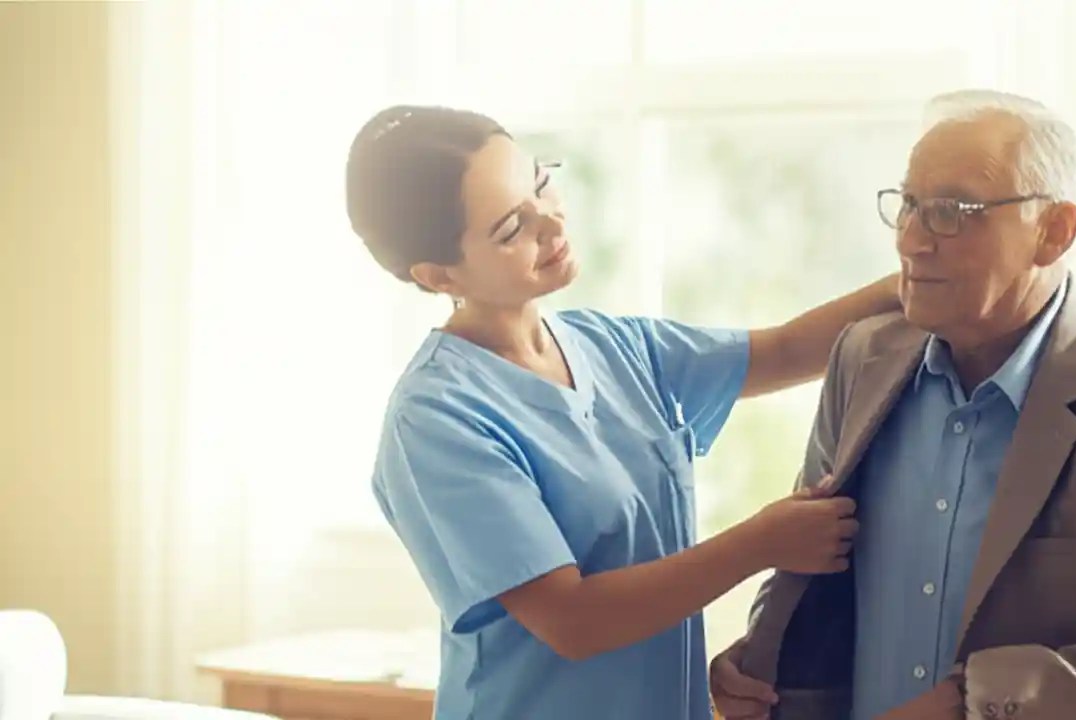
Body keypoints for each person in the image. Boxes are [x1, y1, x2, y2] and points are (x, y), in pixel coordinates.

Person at [344, 105, 900, 720]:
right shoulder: (437, 418)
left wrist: (924, 277)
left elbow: (787, 348)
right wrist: (761, 543)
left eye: (540, 183)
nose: (551, 226)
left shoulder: (615, 348)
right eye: (510, 228)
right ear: (436, 273)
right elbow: (573, 620)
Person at [709, 90, 1076, 720]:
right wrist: (761, 660)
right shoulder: (861, 359)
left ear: (1055, 231)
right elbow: (811, 565)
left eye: (951, 212)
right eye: (909, 205)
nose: (910, 242)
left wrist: (972, 703)